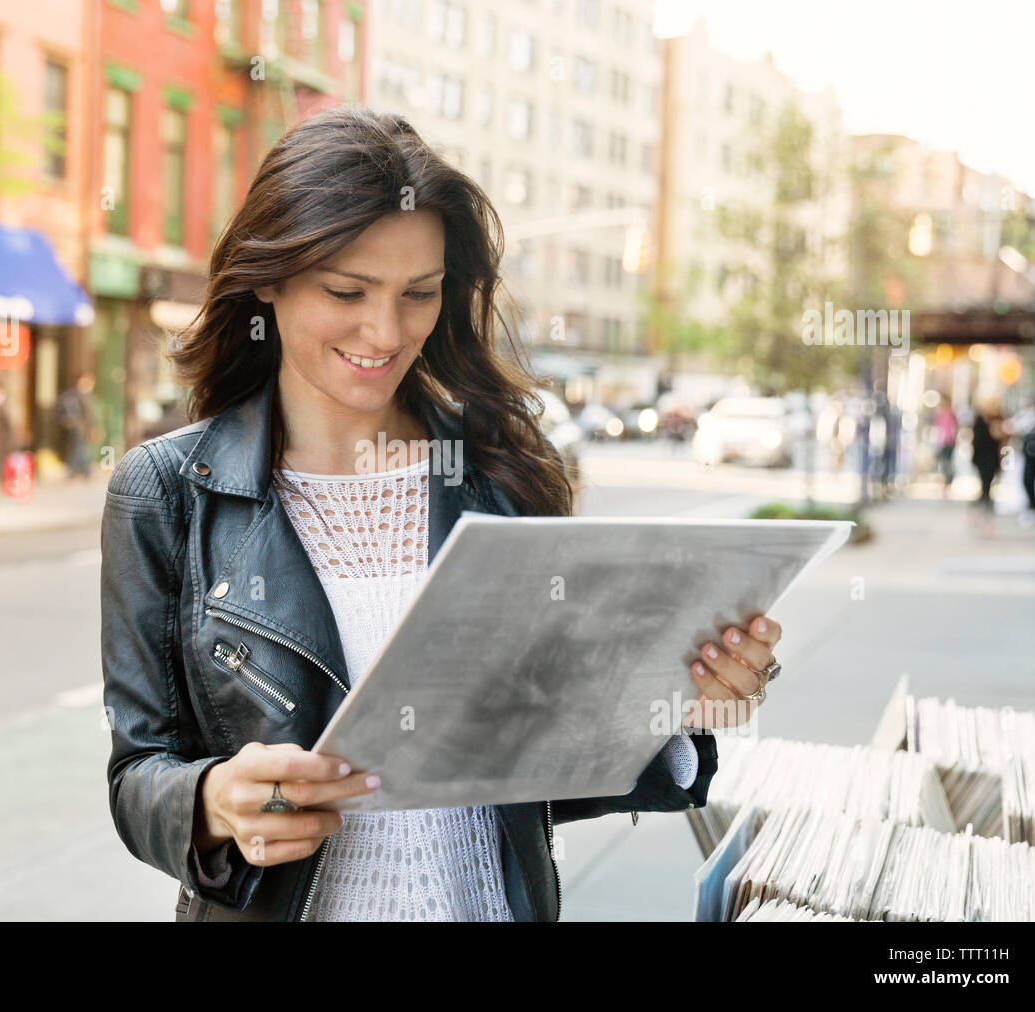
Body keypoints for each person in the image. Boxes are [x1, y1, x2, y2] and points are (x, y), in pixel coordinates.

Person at [99, 105, 785, 923]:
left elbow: (542, 763)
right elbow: (138, 772)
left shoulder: (499, 468)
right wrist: (212, 801)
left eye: (418, 294)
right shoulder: (167, 492)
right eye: (347, 290)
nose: (384, 332)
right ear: (270, 277)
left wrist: (674, 701)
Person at [969, 394, 1005, 532]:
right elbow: (977, 441)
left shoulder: (999, 418)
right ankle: (984, 518)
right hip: (982, 459)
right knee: (986, 487)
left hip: (992, 458)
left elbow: (1002, 439)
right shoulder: (980, 420)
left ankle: (979, 515)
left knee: (987, 488)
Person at [56, 372, 96, 479]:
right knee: (79, 448)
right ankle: (78, 471)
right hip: (76, 427)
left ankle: (84, 471)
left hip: (81, 427)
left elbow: (88, 415)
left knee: (81, 448)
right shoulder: (74, 396)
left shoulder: (84, 396)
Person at [933, 399, 959, 495]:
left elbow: (954, 428)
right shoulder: (939, 415)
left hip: (949, 442)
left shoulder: (951, 414)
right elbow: (937, 429)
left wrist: (953, 439)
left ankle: (947, 483)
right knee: (943, 464)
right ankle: (945, 483)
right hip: (942, 443)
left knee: (947, 464)